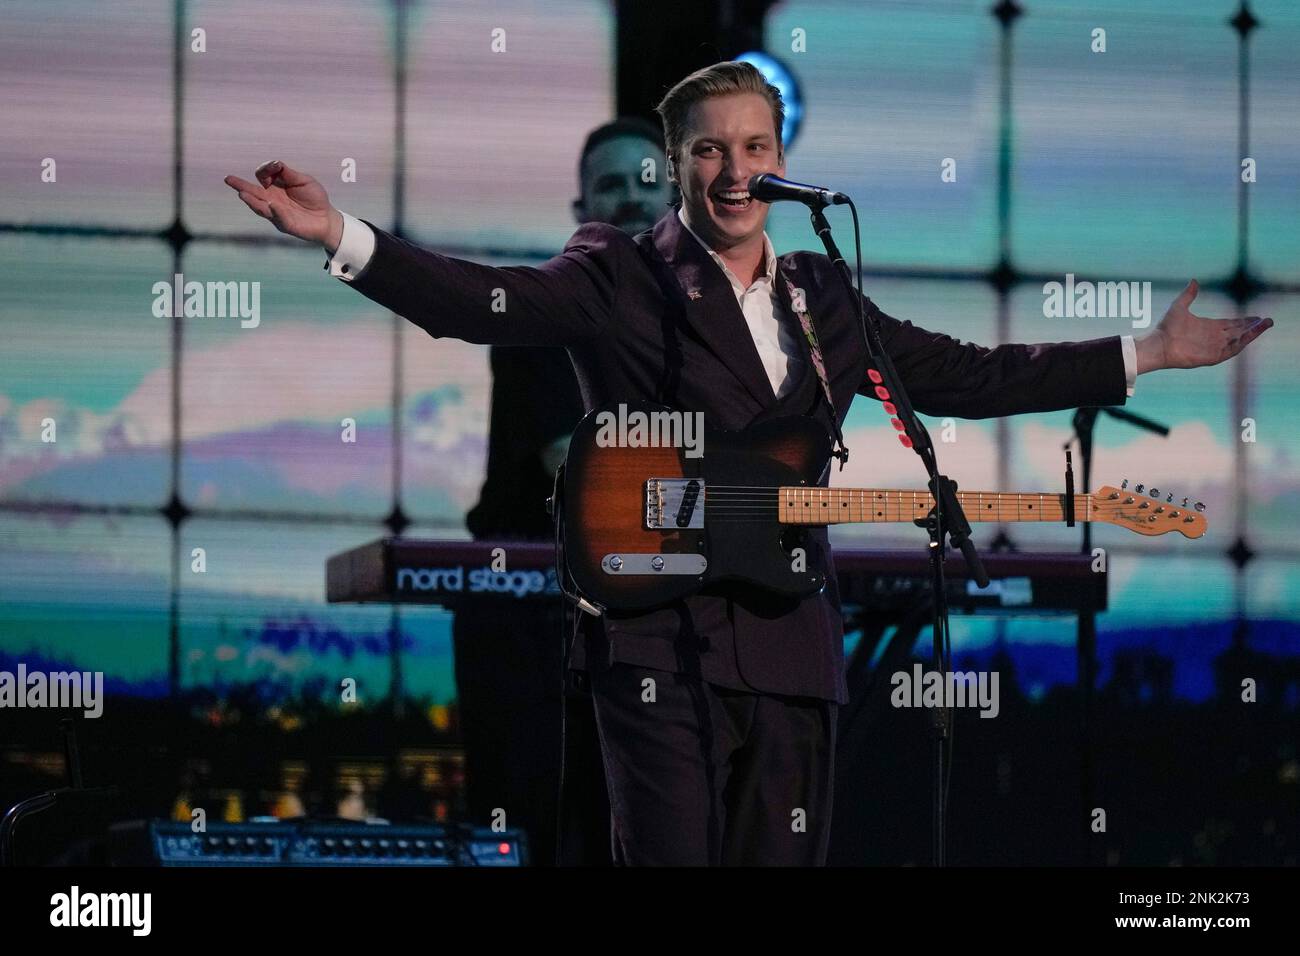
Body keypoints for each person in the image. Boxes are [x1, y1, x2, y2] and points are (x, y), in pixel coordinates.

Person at [225, 61, 1272, 865]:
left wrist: (1141, 351)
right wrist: (343, 235)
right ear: (675, 166)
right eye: (710, 151)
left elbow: (967, 373)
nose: (735, 170)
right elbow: (478, 300)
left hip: (789, 641)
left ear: (781, 158)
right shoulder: (617, 272)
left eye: (755, 145)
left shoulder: (824, 293)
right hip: (654, 644)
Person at [452, 117, 673, 867]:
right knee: (538, 838)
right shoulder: (542, 313)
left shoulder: (700, 323)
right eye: (610, 184)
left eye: (647, 181)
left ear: (675, 196)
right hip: (531, 626)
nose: (632, 199)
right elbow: (583, 477)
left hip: (638, 615)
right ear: (581, 209)